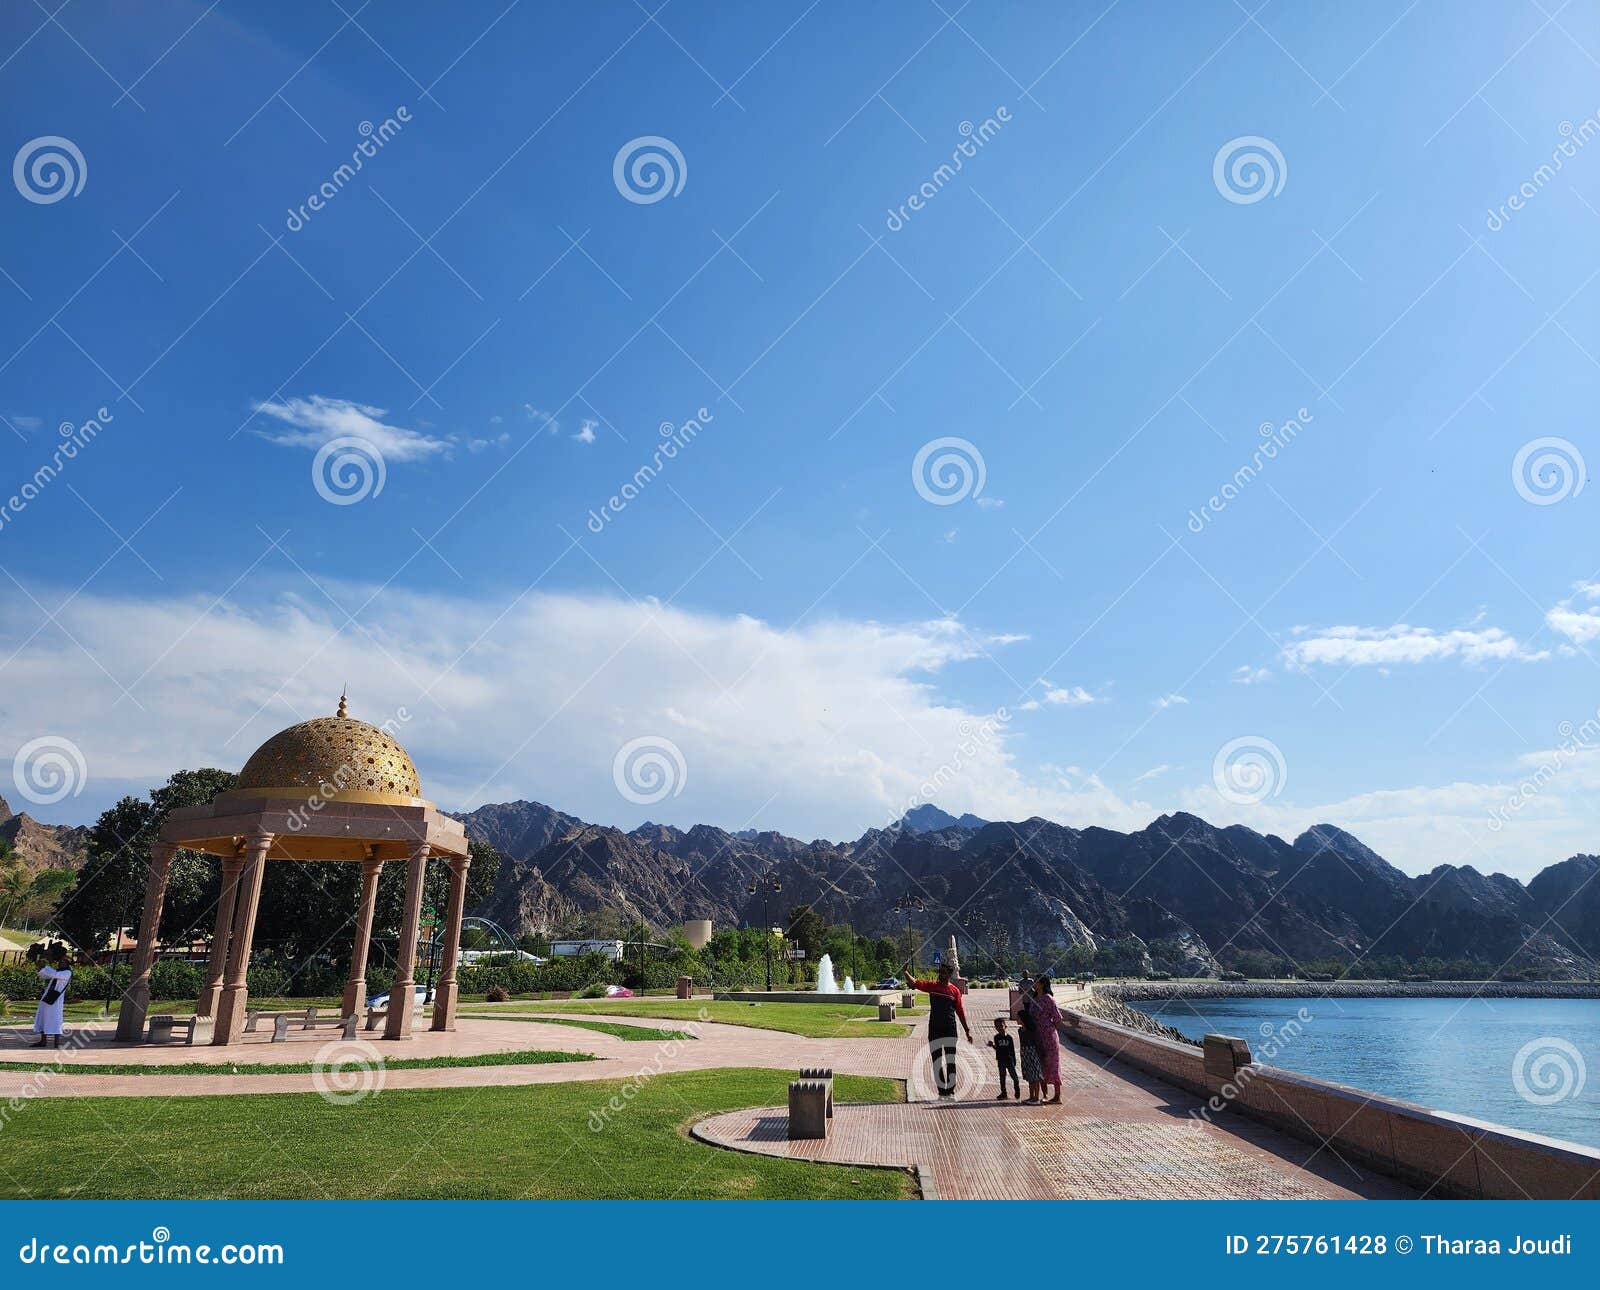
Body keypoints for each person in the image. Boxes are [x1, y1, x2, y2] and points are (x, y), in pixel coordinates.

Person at [902, 960, 973, 1097]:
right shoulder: (932, 986)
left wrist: (967, 1030)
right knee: (937, 1060)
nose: (940, 974)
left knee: (950, 1060)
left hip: (950, 1028)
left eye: (943, 973)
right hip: (934, 1028)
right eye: (939, 972)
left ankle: (950, 1090)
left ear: (949, 975)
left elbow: (960, 1011)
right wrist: (905, 972)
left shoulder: (955, 991)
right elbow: (915, 983)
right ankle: (942, 1090)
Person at [1030, 974, 1065, 1104]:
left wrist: (1049, 1029)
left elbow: (1058, 1018)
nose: (1034, 984)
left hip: (1049, 1037)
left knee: (1053, 1064)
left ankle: (1057, 1095)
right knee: (1040, 1065)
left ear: (1043, 984)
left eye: (1036, 982)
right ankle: (1044, 1094)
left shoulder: (1049, 999)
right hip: (1036, 1036)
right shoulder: (1034, 999)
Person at [32, 944, 71, 1050]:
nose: (61, 963)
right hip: (47, 997)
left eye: (64, 962)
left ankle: (56, 1043)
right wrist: (39, 967)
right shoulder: (58, 971)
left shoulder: (67, 972)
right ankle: (43, 1041)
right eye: (60, 962)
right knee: (43, 1019)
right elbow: (45, 975)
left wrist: (45, 967)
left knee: (55, 1020)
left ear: (68, 964)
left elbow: (52, 974)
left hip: (56, 1000)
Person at [1016, 981, 1043, 1103]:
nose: (1017, 1020)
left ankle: (1036, 1097)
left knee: (1035, 1076)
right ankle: (1031, 1096)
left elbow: (1037, 1043)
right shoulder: (1020, 1030)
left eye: (1018, 1018)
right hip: (1025, 1053)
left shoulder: (1031, 1031)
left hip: (1032, 1053)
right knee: (1029, 1076)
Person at [987, 1016, 1020, 1099]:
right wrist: (992, 1046)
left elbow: (1012, 1050)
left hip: (1009, 1060)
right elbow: (997, 1048)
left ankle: (1017, 1089)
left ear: (1005, 1026)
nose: (1000, 1028)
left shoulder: (1009, 1038)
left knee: (1014, 1076)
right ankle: (1003, 1092)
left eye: (1001, 1026)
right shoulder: (996, 1037)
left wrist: (1014, 1060)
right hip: (1001, 1060)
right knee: (1002, 1077)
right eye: (997, 1026)